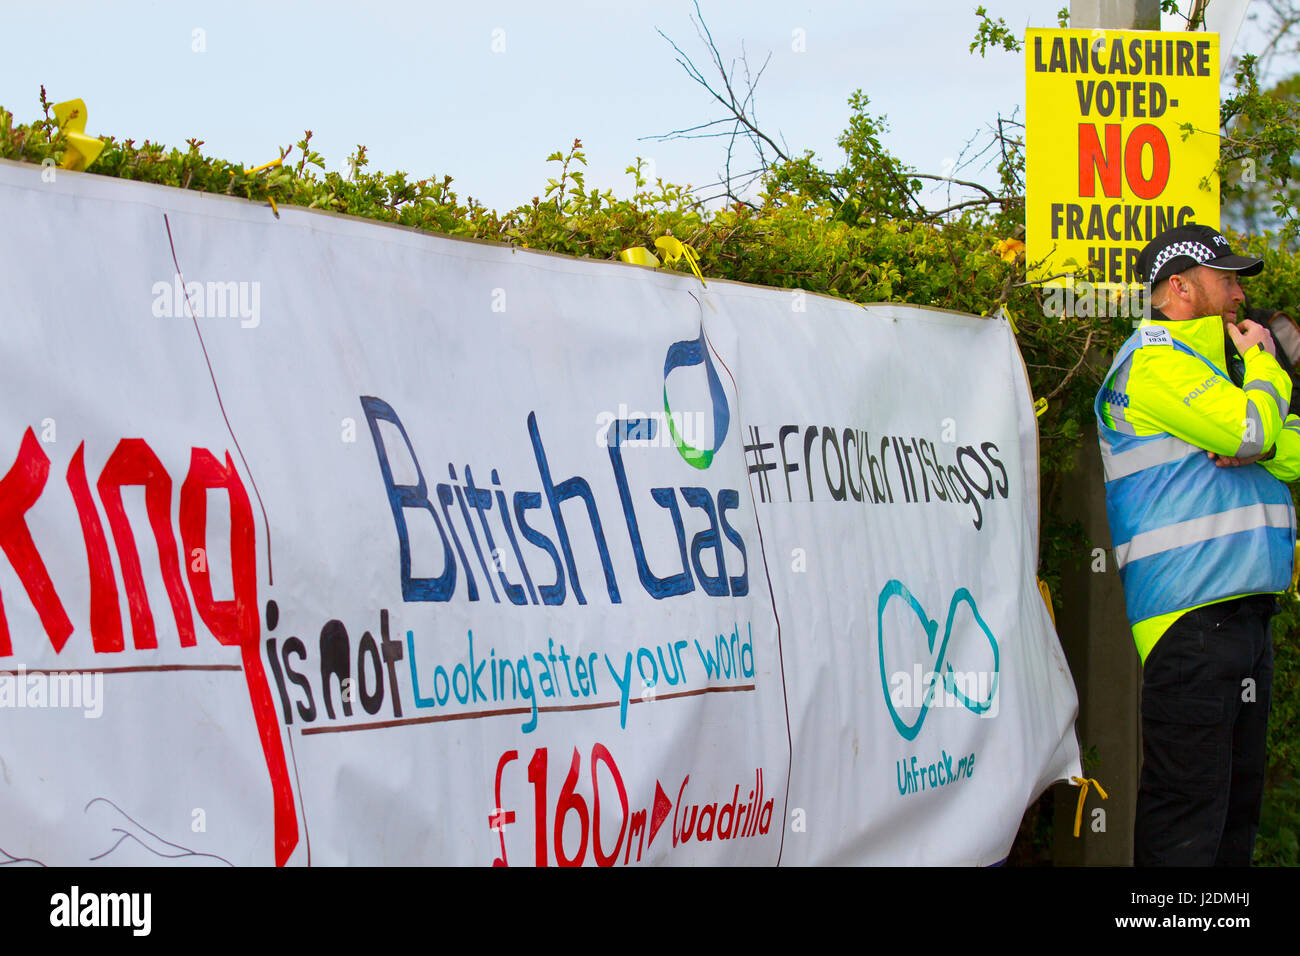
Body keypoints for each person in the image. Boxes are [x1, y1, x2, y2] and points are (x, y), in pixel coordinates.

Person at [1093, 223, 1300, 866]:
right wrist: (1265, 377)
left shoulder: (1222, 373)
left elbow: (1281, 449)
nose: (1239, 294)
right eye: (1227, 278)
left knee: (1232, 822)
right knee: (1187, 819)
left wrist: (1258, 433)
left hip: (1242, 617)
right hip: (1190, 620)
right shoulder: (1156, 362)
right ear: (1179, 288)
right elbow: (1251, 433)